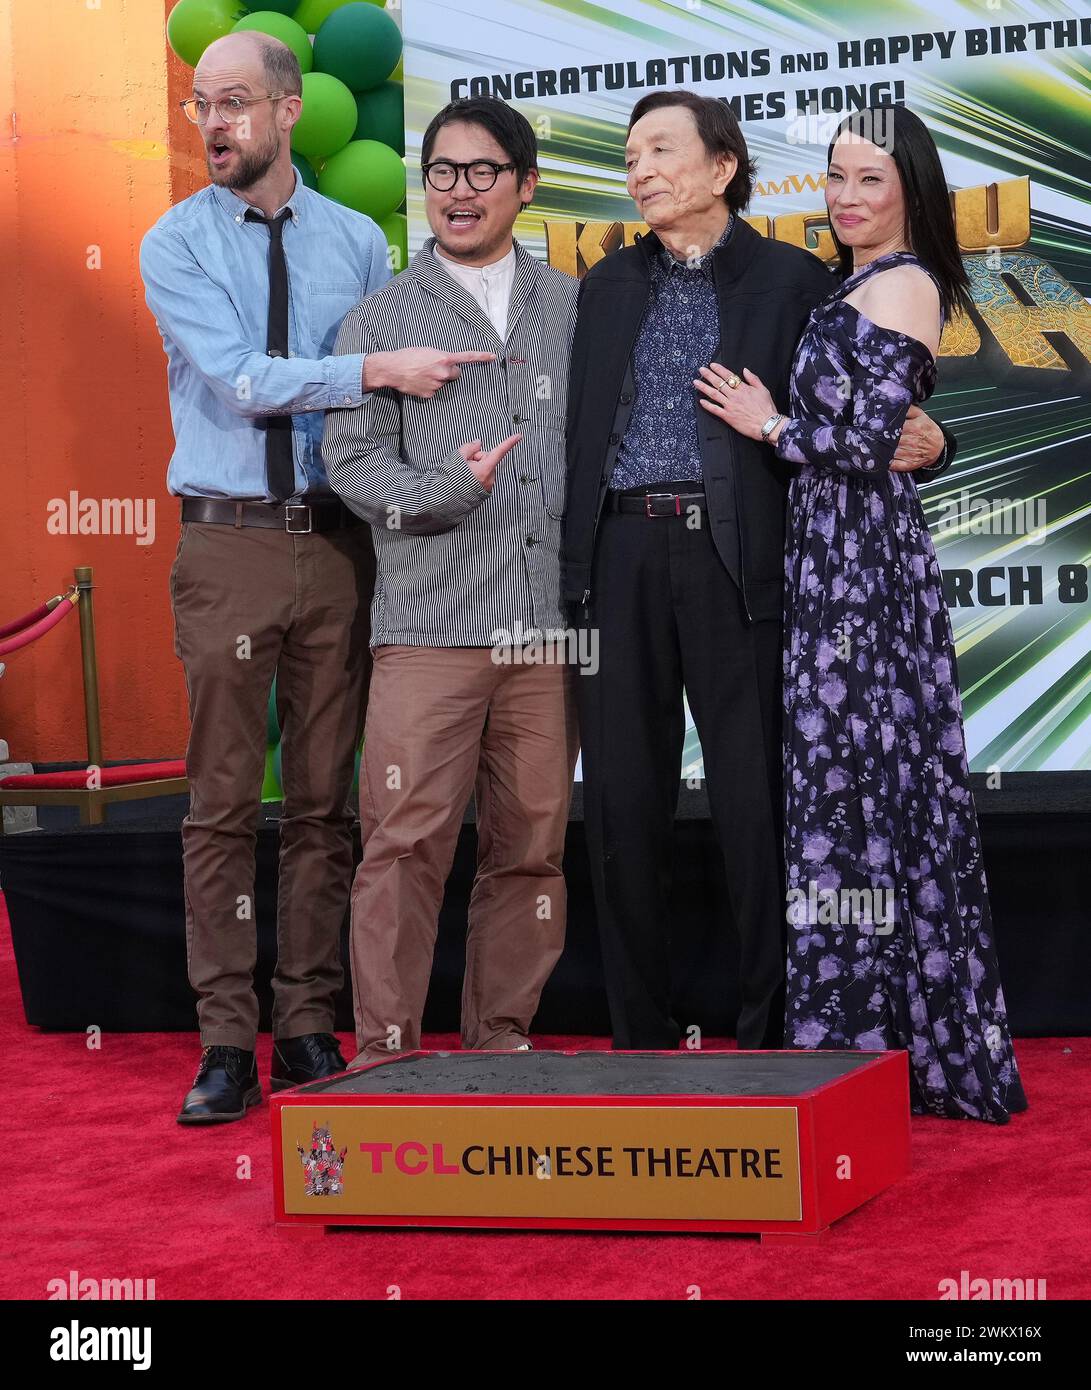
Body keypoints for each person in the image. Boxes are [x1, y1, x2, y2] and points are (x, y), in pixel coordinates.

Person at [563, 90, 953, 1052]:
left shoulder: (792, 280)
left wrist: (934, 442)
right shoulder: (605, 286)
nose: (640, 171)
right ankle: (639, 1039)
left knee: (758, 800)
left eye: (660, 150)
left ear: (723, 166)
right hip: (617, 555)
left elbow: (863, 399)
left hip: (742, 560)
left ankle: (772, 1035)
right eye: (629, 157)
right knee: (619, 800)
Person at [141, 34, 480, 1124]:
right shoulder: (172, 243)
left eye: (234, 103)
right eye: (202, 105)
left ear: (288, 111)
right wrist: (371, 367)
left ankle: (305, 1019)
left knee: (330, 801)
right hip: (229, 541)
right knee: (223, 802)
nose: (214, 125)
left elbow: (377, 416)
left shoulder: (355, 243)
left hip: (341, 541)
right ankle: (225, 1041)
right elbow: (243, 381)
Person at [697, 106, 1027, 1122]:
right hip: (828, 553)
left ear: (908, 191)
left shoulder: (906, 282)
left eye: (868, 180)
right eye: (834, 177)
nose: (844, 197)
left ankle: (880, 1039)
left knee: (863, 777)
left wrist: (767, 423)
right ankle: (869, 1036)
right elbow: (884, 434)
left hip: (862, 566)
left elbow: (866, 438)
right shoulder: (853, 281)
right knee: (852, 785)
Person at [324, 97, 580, 1063]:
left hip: (545, 632)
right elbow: (352, 469)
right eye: (440, 172)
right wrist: (447, 487)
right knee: (400, 848)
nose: (458, 191)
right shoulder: (379, 319)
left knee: (532, 849)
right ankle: (385, 1055)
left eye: (480, 172)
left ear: (524, 185)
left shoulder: (571, 304)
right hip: (429, 630)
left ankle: (499, 1039)